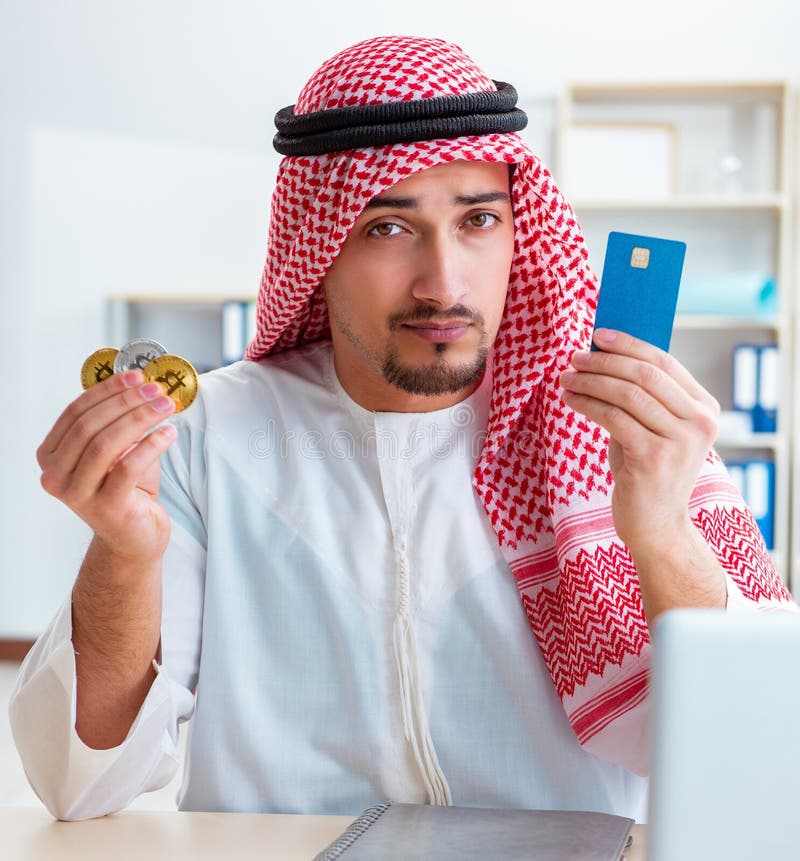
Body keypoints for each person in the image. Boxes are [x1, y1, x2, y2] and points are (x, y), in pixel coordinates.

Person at [10, 35, 794, 822]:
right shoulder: (213, 433)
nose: (444, 282)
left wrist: (659, 531)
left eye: (479, 219)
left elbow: (761, 753)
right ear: (317, 251)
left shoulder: (615, 428)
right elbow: (80, 783)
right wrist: (124, 554)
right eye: (389, 228)